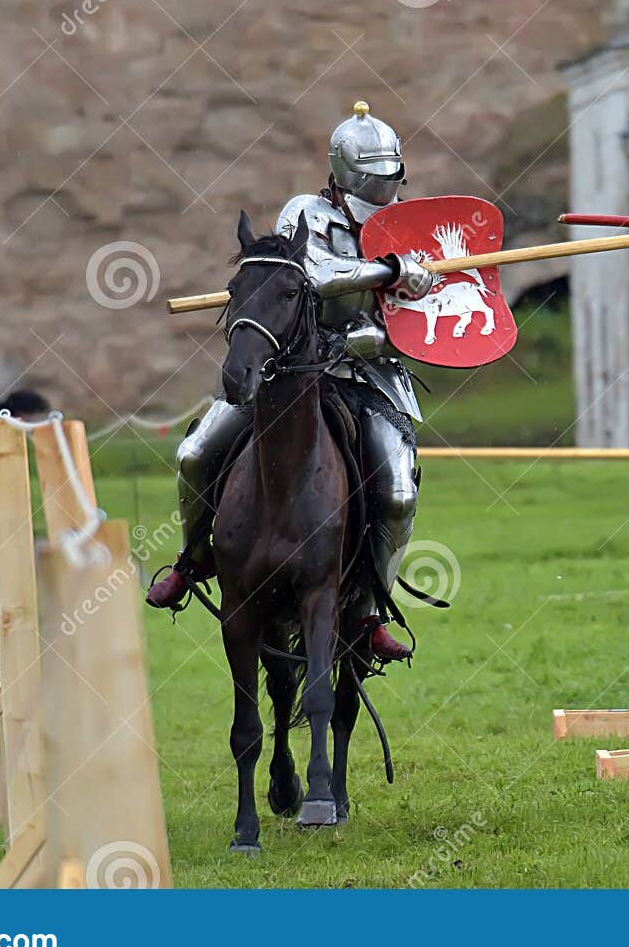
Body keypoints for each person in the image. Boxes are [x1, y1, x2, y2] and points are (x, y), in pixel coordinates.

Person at [146, 101, 434, 665]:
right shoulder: (304, 213)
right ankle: (194, 556)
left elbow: (424, 319)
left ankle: (370, 610)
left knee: (399, 494)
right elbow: (311, 275)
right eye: (376, 178)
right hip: (291, 372)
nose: (386, 189)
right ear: (349, 172)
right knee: (196, 452)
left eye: (391, 177)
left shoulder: (409, 227)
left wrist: (423, 281)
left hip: (368, 377)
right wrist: (393, 270)